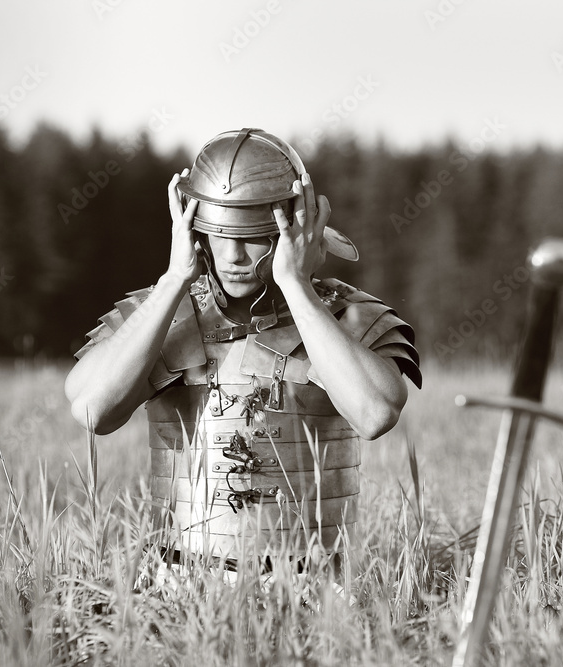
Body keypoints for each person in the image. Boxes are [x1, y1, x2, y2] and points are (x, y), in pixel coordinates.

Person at [64, 128, 422, 584]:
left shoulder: (343, 316)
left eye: (253, 237)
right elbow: (94, 409)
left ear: (293, 227)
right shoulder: (161, 315)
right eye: (219, 235)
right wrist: (174, 281)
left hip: (314, 587)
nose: (233, 255)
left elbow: (375, 414)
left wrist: (297, 286)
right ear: (194, 230)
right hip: (180, 586)